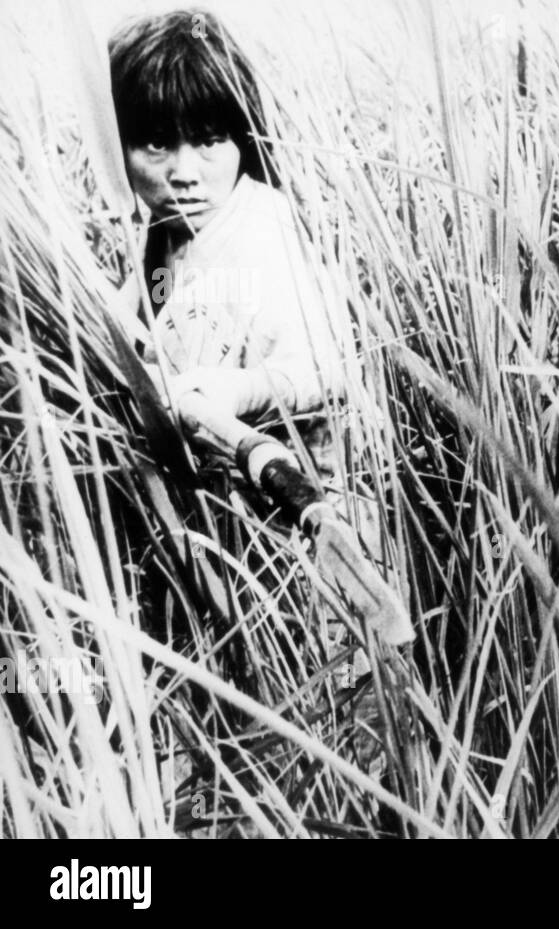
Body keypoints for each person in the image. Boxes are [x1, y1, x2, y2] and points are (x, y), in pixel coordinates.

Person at [106, 10, 386, 697]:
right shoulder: (161, 236)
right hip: (219, 533)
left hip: (300, 521)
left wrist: (237, 391)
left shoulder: (263, 231)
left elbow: (325, 366)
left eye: (207, 141)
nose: (184, 173)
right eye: (153, 145)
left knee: (319, 700)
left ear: (242, 136)